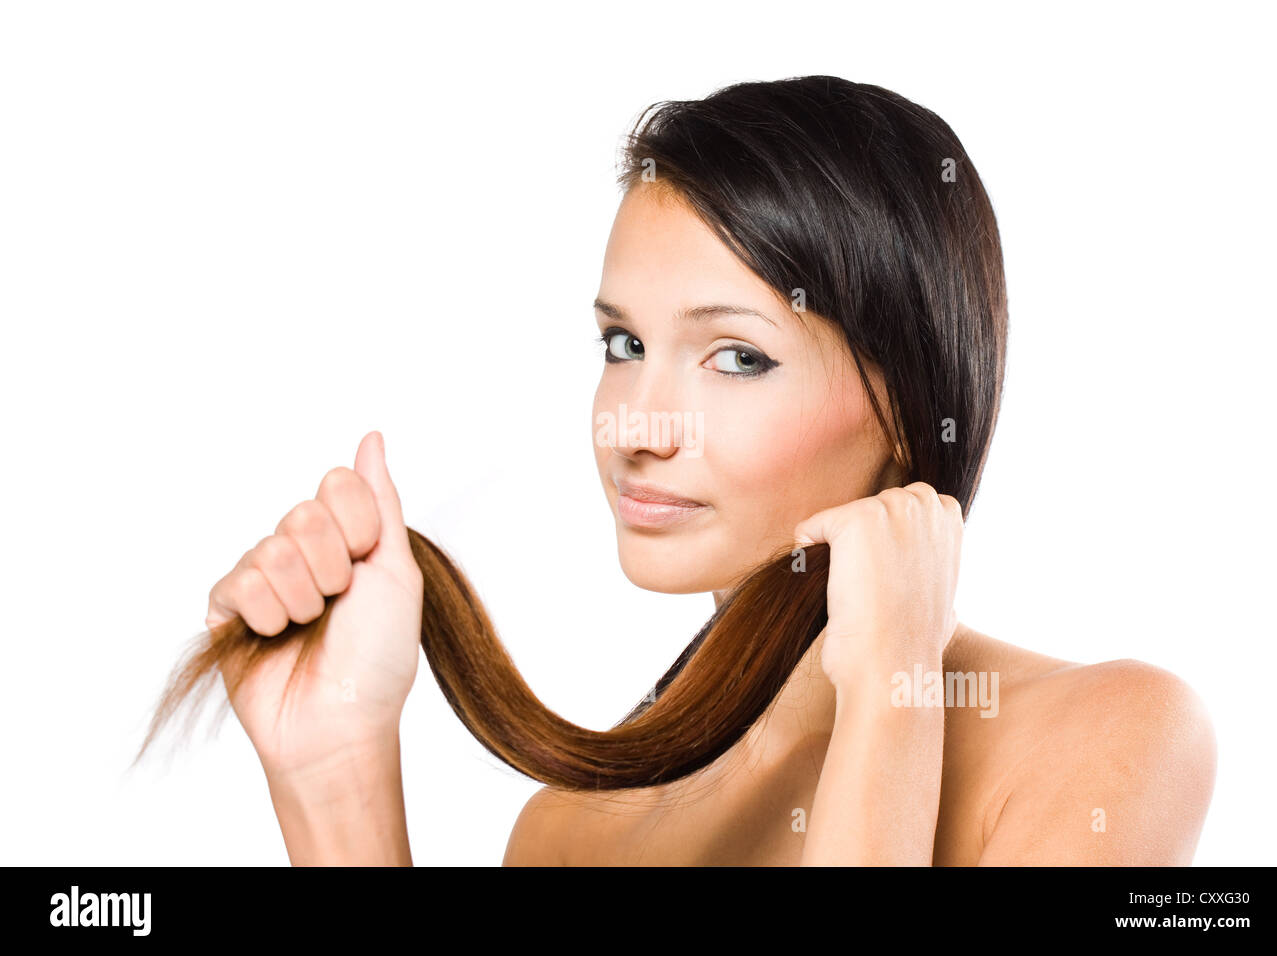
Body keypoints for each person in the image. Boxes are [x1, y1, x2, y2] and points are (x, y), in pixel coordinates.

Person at [167, 76, 1217, 865]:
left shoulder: (1109, 735)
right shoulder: (572, 833)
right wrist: (336, 774)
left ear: (908, 401)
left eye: (736, 356)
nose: (636, 423)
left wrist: (893, 682)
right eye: (623, 345)